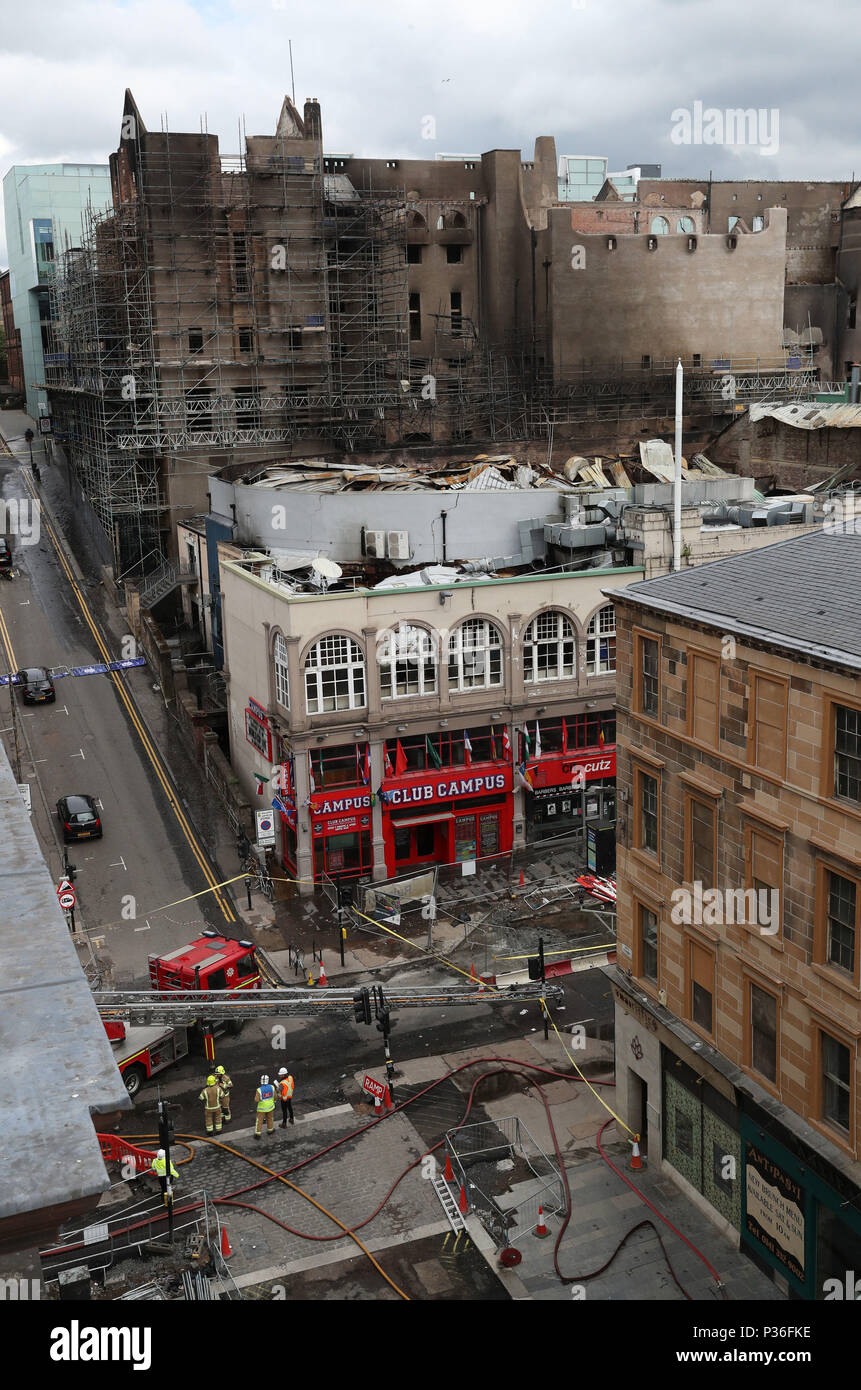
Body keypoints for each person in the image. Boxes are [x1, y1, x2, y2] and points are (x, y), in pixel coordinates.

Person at [254, 1074, 276, 1139]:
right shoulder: (272, 1087)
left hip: (261, 1109)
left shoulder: (259, 1090)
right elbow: (275, 1097)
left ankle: (258, 1134)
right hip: (270, 1107)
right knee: (270, 1119)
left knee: (259, 1121)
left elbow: (256, 1100)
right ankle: (270, 1130)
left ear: (261, 1081)